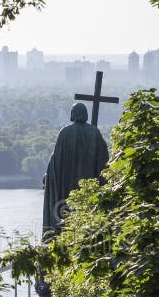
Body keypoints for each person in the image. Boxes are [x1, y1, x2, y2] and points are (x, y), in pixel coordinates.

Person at [42, 102, 109, 238]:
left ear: (73, 114)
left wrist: (48, 176)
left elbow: (56, 160)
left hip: (67, 185)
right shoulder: (94, 132)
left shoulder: (65, 132)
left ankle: (63, 235)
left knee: (67, 211)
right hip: (90, 184)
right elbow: (104, 160)